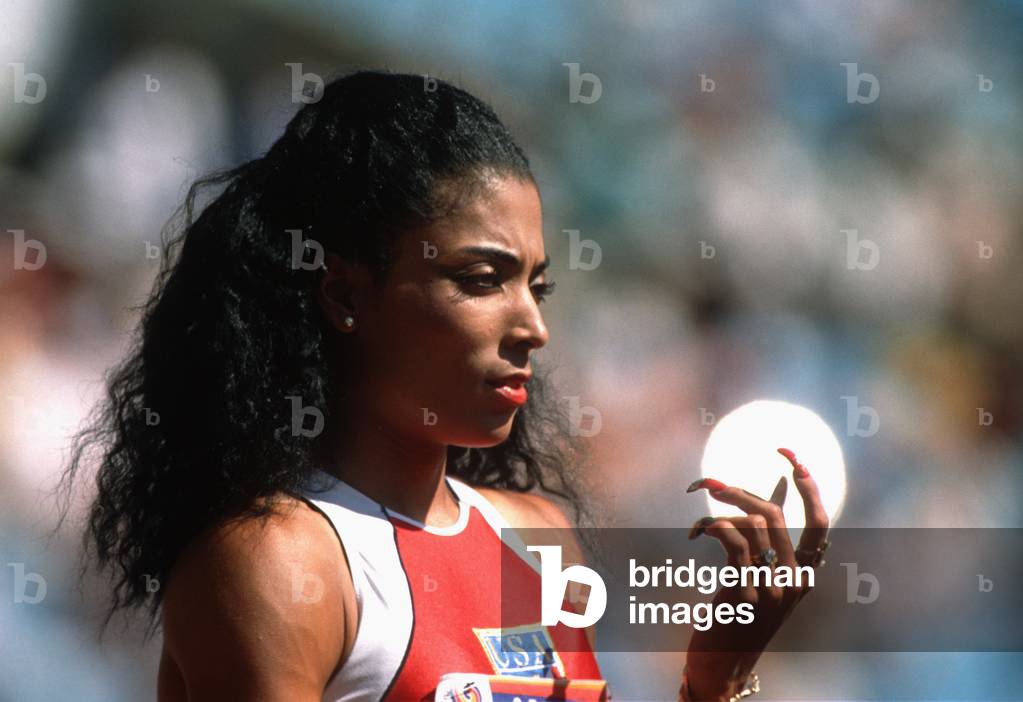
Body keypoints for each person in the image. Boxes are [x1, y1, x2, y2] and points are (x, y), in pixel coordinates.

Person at [58, 69, 830, 701]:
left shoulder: (537, 537)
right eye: (481, 279)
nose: (533, 327)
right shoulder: (278, 562)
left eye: (536, 287)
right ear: (345, 294)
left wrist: (712, 680)